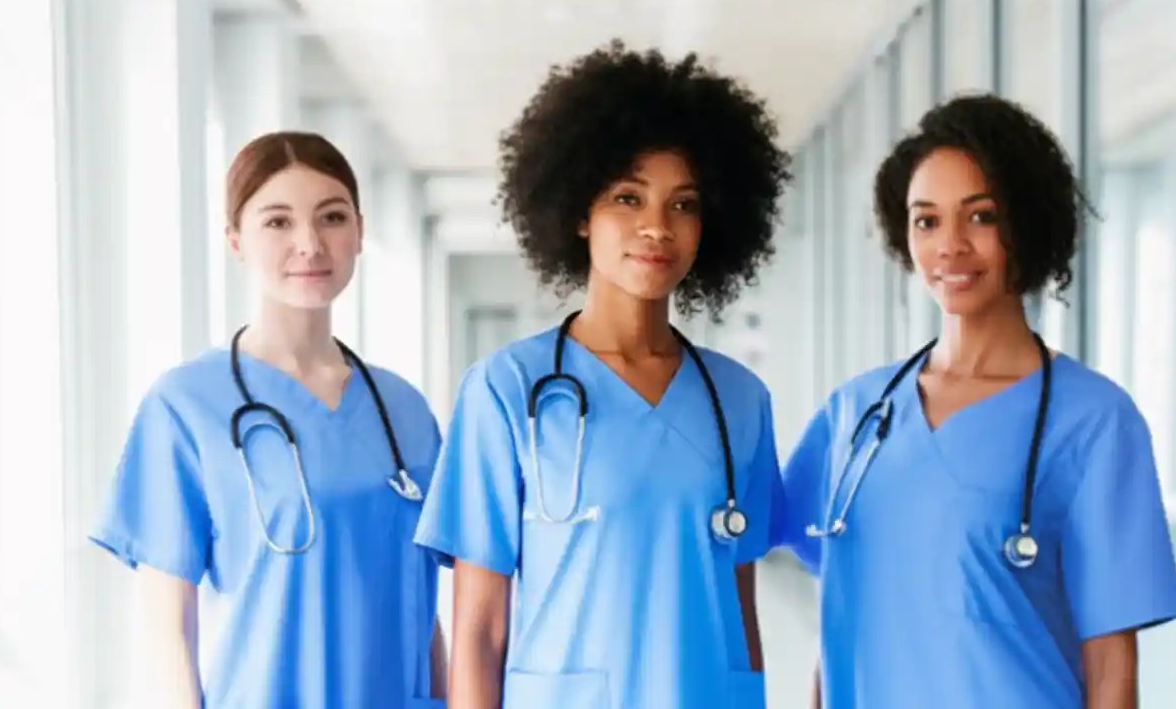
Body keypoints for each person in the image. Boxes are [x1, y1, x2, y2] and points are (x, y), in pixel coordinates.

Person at [413, 41, 792, 709]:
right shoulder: (506, 391)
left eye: (683, 204)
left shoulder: (738, 400)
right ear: (579, 213)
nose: (656, 227)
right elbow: (479, 629)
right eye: (628, 197)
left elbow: (740, 613)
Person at [778, 94, 1176, 708]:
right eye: (926, 220)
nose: (950, 246)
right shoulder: (855, 412)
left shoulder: (1094, 422)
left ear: (1026, 222)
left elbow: (1111, 668)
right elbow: (841, 618)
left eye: (981, 216)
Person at [90, 131, 447, 708]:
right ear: (235, 240)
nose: (309, 243)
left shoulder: (403, 409)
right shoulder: (186, 406)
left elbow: (423, 609)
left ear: (359, 230)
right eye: (277, 222)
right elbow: (167, 628)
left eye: (331, 217)